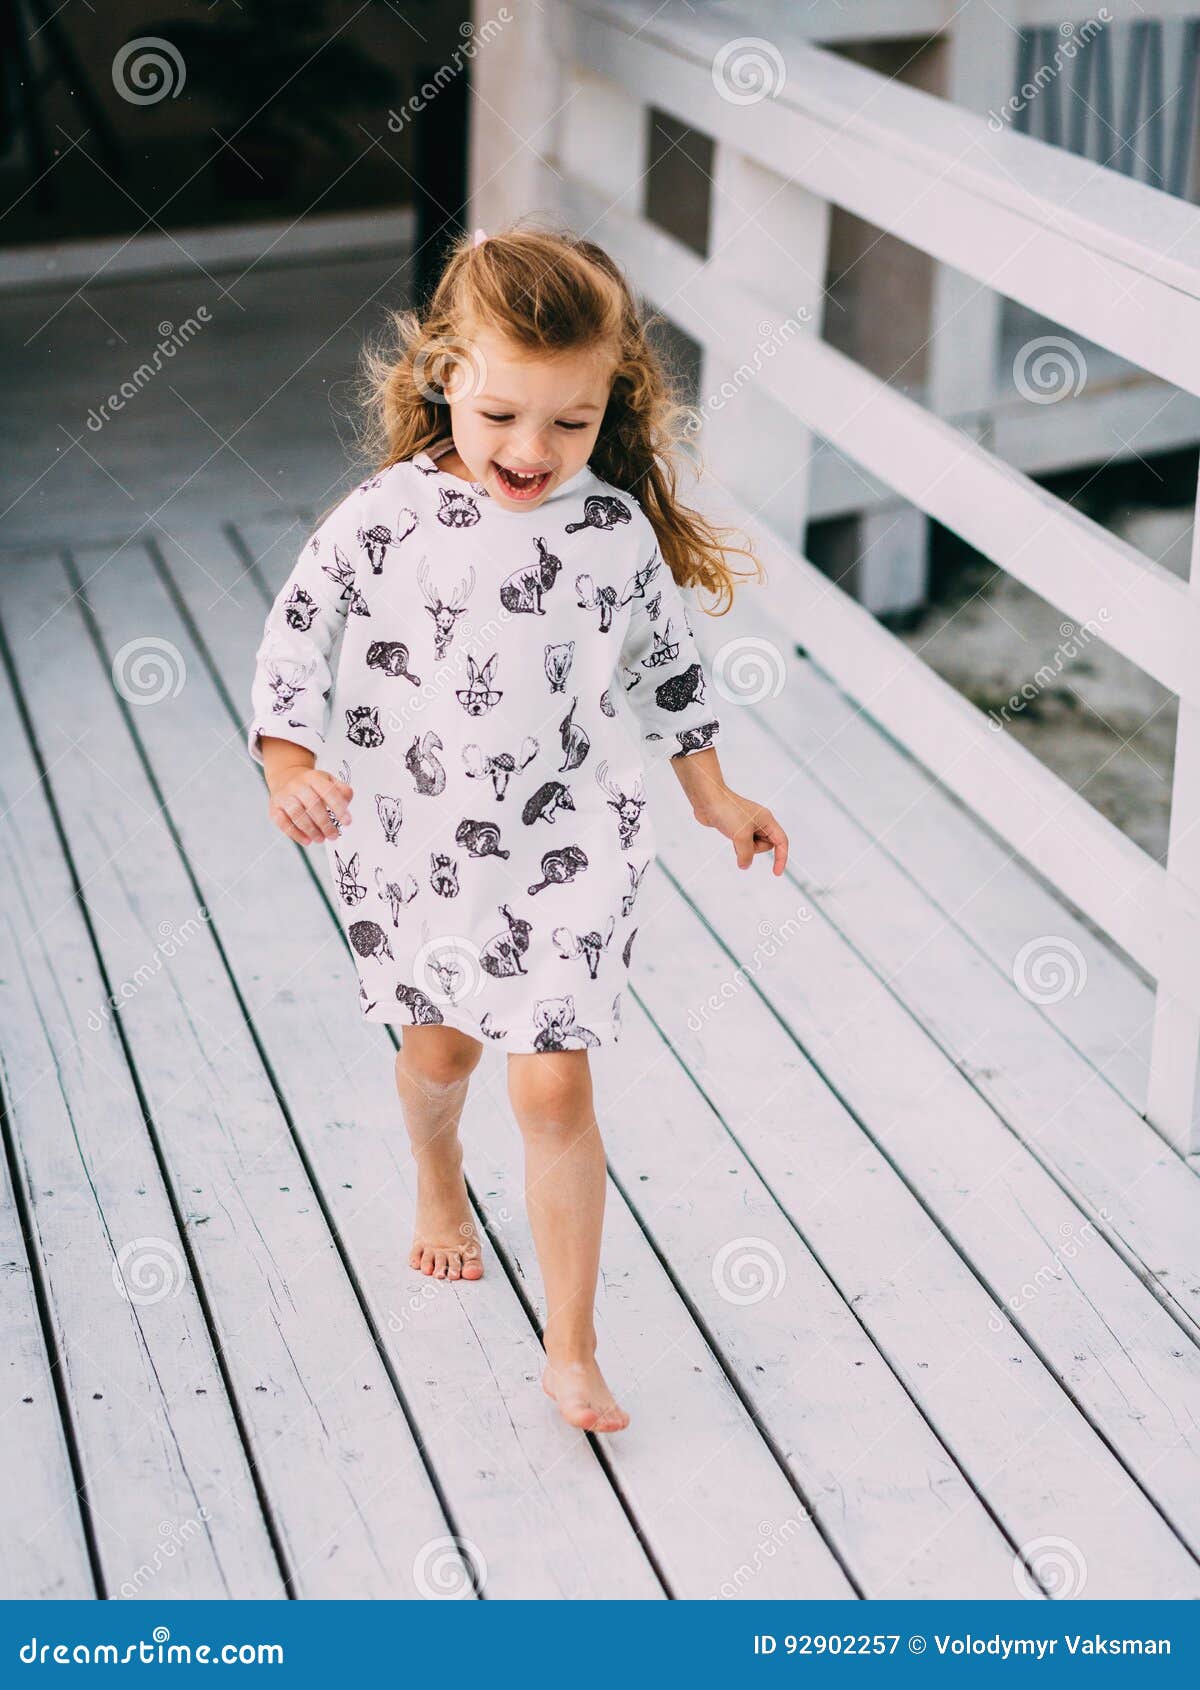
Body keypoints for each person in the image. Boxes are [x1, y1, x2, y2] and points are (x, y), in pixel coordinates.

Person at [247, 223, 788, 1434]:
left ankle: (573, 1345)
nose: (531, 451)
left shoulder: (610, 537)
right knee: (442, 1056)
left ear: (613, 405)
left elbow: (664, 668)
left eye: (570, 423)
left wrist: (713, 793)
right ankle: (439, 1181)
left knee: (552, 1091)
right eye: (500, 417)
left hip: (572, 844)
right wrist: (289, 759)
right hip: (416, 839)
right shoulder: (388, 515)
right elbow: (298, 629)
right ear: (447, 377)